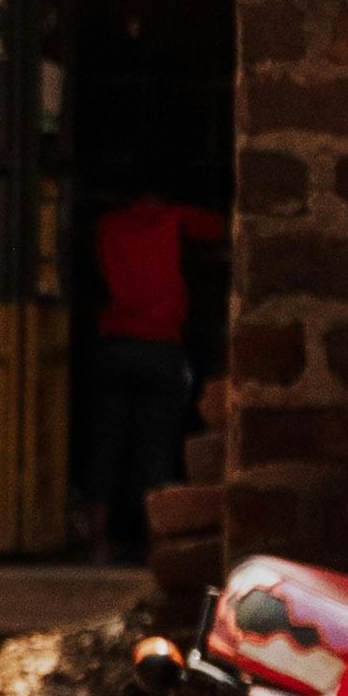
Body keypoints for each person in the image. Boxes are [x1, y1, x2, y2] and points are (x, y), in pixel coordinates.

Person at [87, 183, 222, 550]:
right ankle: (156, 546)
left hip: (113, 344)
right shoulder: (177, 218)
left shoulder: (109, 225)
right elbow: (223, 229)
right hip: (161, 347)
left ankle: (99, 542)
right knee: (157, 451)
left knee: (106, 444)